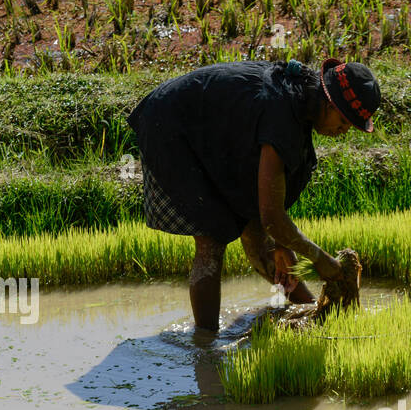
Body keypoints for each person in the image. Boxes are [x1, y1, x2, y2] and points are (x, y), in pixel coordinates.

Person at [127, 57, 382, 331]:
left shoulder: (300, 100)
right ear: (330, 103)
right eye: (344, 121)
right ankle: (206, 347)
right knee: (212, 240)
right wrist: (321, 260)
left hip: (212, 135)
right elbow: (272, 216)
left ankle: (311, 310)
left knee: (256, 232)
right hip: (171, 127)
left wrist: (284, 245)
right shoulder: (282, 115)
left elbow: (267, 213)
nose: (343, 131)